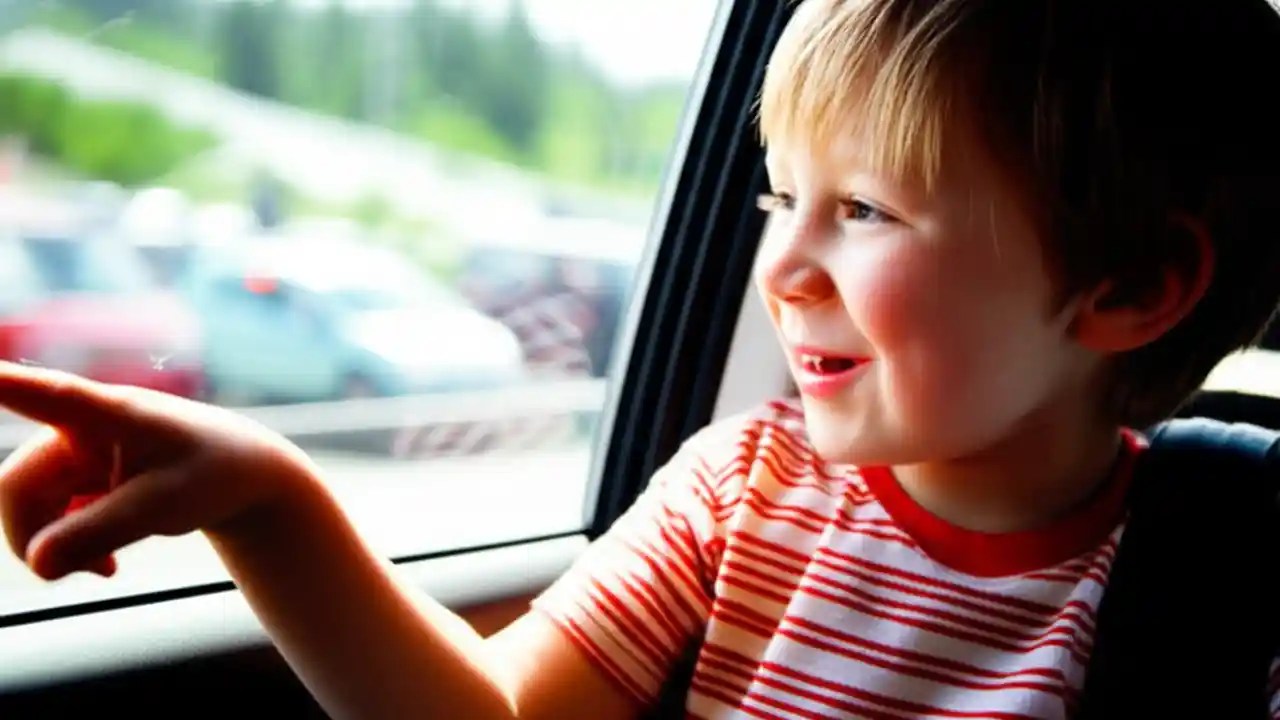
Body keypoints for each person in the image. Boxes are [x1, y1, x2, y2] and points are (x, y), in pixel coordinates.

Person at [3, 0, 1280, 717]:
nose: (779, 270)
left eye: (866, 212)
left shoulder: (1215, 579)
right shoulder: (741, 496)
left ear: (1126, 288)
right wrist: (267, 503)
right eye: (780, 202)